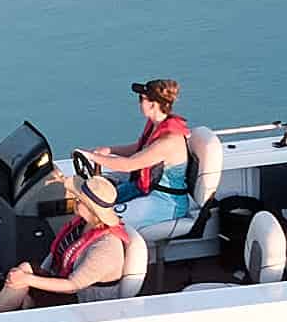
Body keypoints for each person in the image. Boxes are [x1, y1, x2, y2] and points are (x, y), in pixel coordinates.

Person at [0, 169, 137, 314]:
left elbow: (73, 285)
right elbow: (56, 256)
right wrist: (29, 276)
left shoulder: (106, 247)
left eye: (79, 199)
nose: (74, 200)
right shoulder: (83, 224)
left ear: (91, 209)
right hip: (68, 288)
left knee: (18, 284)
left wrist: (28, 280)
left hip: (85, 304)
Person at [80, 75, 204, 238]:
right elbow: (139, 149)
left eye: (141, 99)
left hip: (166, 202)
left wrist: (91, 157)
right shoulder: (156, 126)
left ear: (152, 104)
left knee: (105, 222)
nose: (139, 103)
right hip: (147, 190)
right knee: (95, 208)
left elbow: (129, 165)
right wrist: (109, 150)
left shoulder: (169, 140)